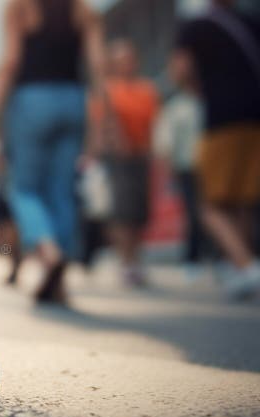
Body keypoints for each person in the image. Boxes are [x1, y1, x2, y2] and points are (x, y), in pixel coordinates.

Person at [0, 0, 107, 303]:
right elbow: (98, 65)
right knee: (61, 191)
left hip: (32, 101)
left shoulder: (20, 7)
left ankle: (49, 252)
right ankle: (59, 284)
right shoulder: (83, 10)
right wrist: (103, 117)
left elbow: (12, 61)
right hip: (73, 99)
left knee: (23, 188)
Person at [174, 0, 260, 299]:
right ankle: (240, 266)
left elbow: (181, 70)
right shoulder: (249, 21)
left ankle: (246, 265)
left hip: (221, 118)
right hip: (255, 117)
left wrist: (203, 92)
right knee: (242, 200)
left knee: (209, 203)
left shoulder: (196, 25)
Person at [95, 40, 158, 287]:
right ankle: (126, 261)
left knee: (139, 210)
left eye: (129, 59)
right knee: (121, 210)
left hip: (141, 155)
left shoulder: (147, 89)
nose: (126, 64)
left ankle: (136, 258)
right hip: (117, 157)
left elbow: (152, 123)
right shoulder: (107, 90)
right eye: (120, 60)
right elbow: (100, 126)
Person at [153, 51, 205, 274]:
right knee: (195, 213)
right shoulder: (175, 106)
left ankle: (225, 259)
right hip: (187, 166)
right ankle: (192, 258)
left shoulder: (206, 101)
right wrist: (169, 169)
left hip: (212, 164)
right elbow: (165, 143)